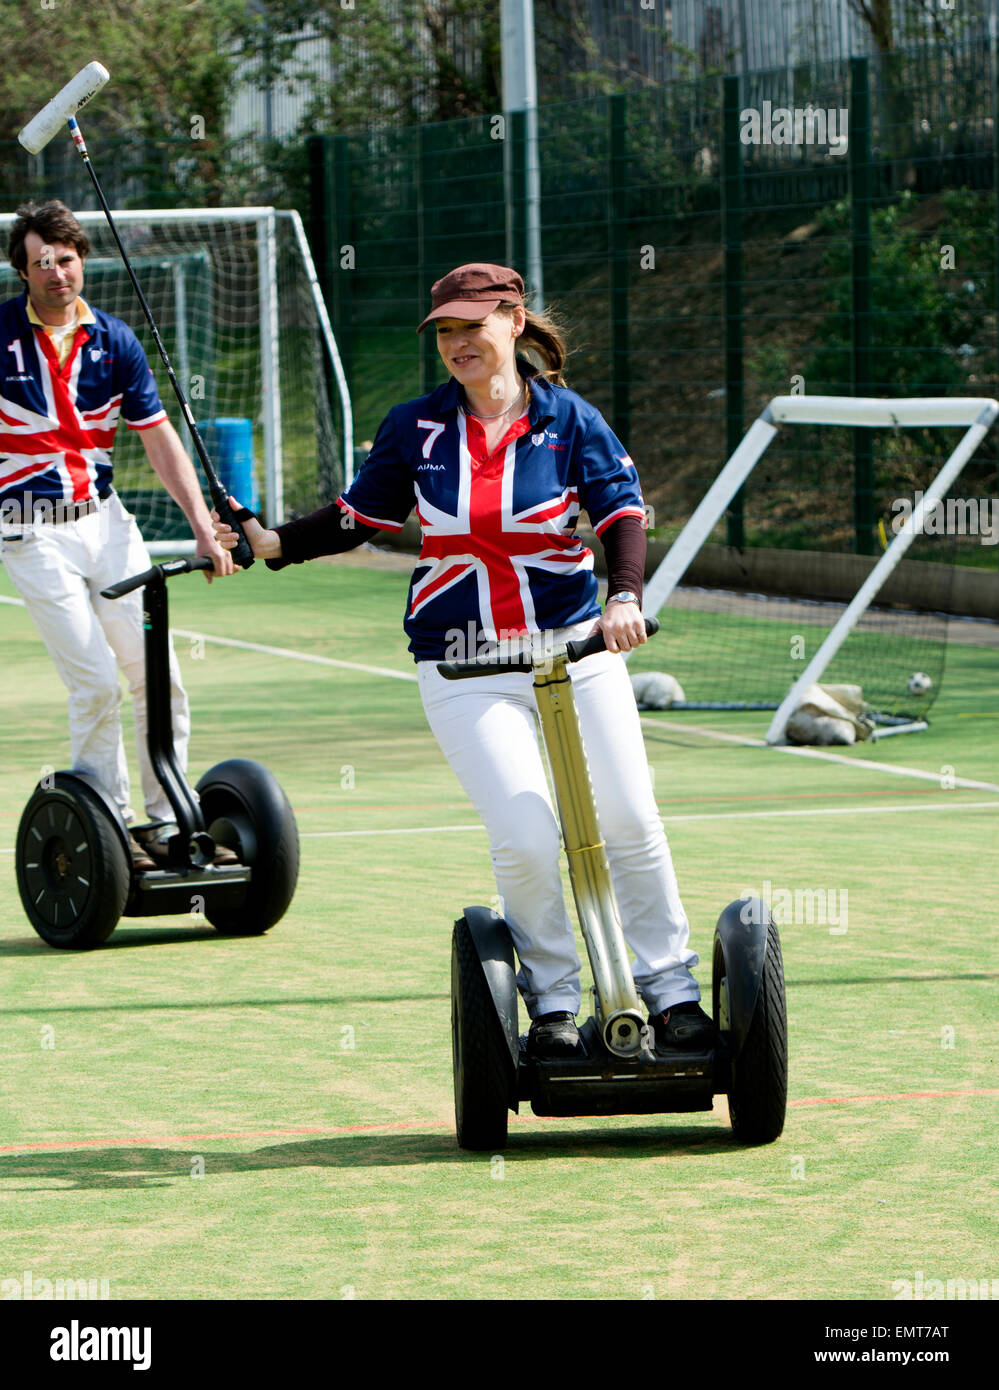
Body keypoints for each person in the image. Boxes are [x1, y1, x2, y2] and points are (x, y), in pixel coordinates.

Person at [213, 262, 713, 1058]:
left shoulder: (569, 420)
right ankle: (550, 1002)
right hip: (462, 665)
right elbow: (356, 518)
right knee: (522, 830)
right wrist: (273, 542)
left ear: (513, 322)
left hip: (574, 647)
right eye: (444, 331)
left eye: (471, 326)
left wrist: (623, 598)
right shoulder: (416, 427)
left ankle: (671, 992)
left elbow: (621, 509)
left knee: (628, 817)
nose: (456, 343)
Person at [0, 200, 234, 868]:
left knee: (157, 677)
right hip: (27, 529)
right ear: (22, 269)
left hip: (106, 523)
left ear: (83, 261)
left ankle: (165, 825)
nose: (56, 273)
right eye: (41, 262)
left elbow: (157, 436)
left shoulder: (114, 340)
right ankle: (108, 830)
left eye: (66, 259)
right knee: (97, 683)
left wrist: (202, 528)